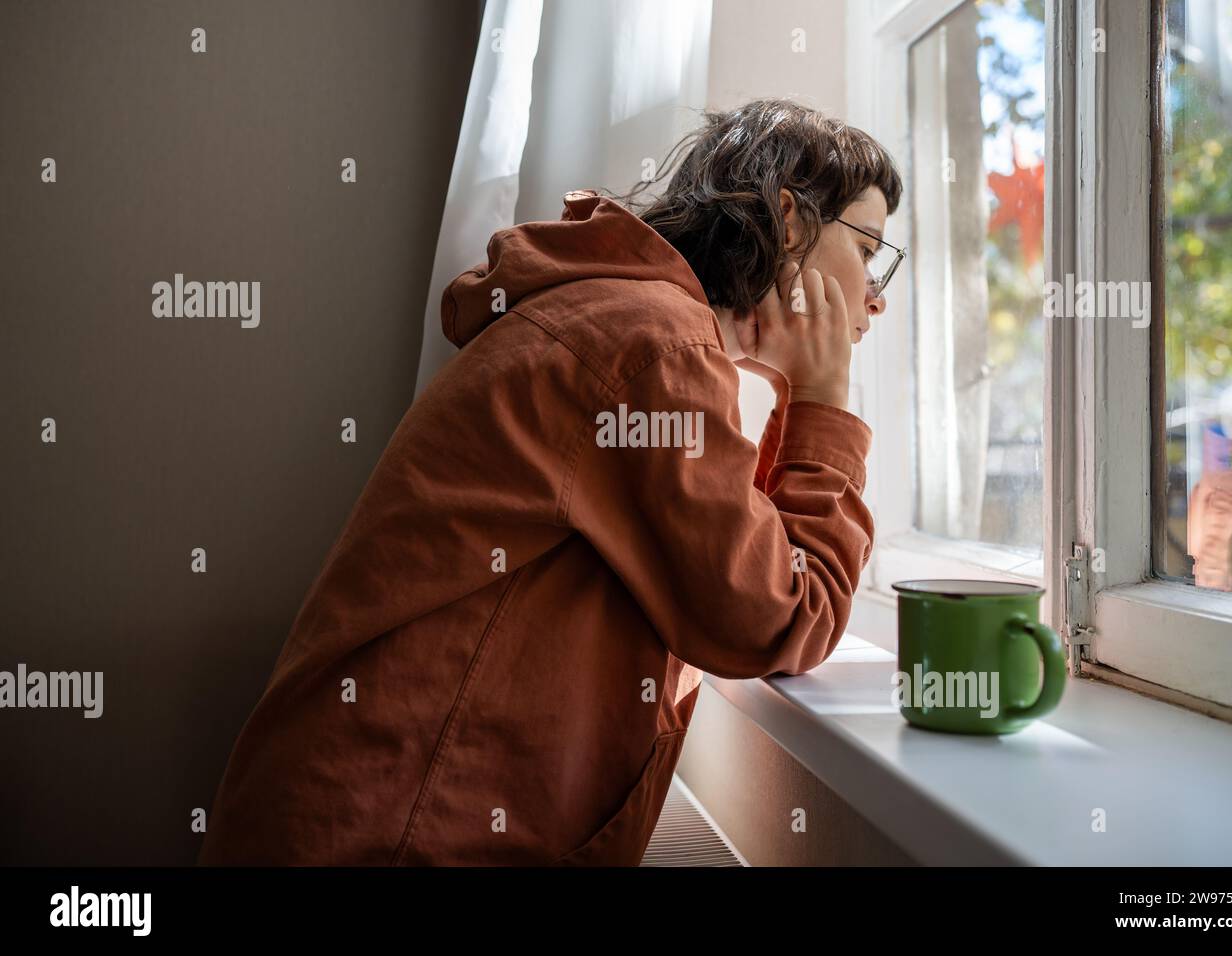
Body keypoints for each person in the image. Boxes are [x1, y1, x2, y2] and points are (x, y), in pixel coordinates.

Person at [198, 98, 903, 866]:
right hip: (396, 837)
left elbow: (734, 560)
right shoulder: (651, 348)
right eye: (869, 250)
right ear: (791, 223)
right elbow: (776, 616)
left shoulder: (620, 321)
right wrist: (826, 404)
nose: (876, 296)